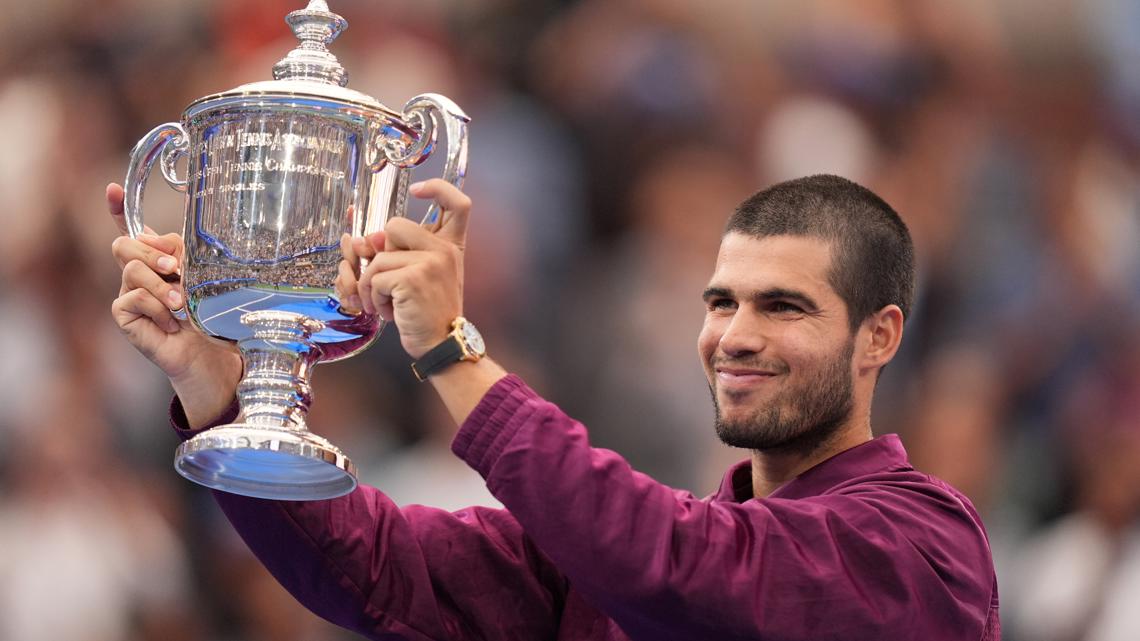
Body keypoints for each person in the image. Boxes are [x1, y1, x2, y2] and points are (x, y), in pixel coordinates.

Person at [109, 174, 1000, 640]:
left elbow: (683, 569)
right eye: (722, 300)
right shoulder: (612, 568)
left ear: (879, 337)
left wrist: (452, 350)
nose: (734, 334)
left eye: (784, 305)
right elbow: (375, 566)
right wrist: (218, 388)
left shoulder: (922, 547)